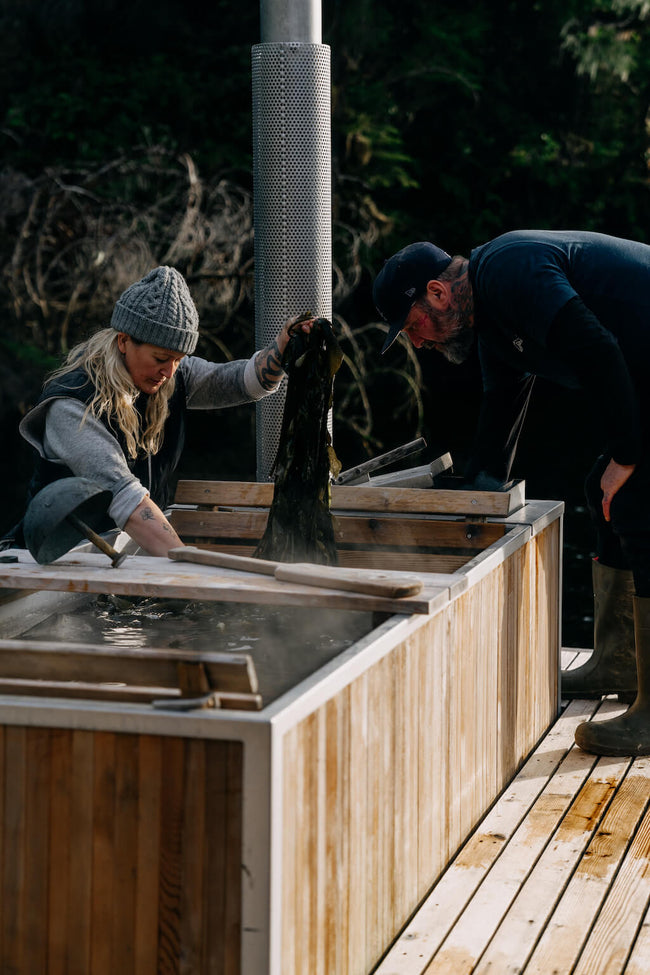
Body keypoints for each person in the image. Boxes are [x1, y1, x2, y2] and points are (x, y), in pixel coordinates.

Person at [372, 231, 650, 758]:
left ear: (437, 293)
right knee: (602, 491)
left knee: (637, 502)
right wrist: (472, 505)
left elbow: (598, 350)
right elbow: (500, 416)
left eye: (412, 326)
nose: (418, 343)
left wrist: (627, 455)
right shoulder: (493, 322)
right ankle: (619, 662)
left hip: (634, 362)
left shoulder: (509, 270)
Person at [2, 265, 313, 557]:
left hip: (124, 556)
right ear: (124, 341)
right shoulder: (71, 406)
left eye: (178, 359)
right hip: (51, 562)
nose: (169, 371)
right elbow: (126, 499)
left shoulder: (171, 376)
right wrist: (189, 571)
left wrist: (281, 347)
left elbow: (241, 382)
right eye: (161, 358)